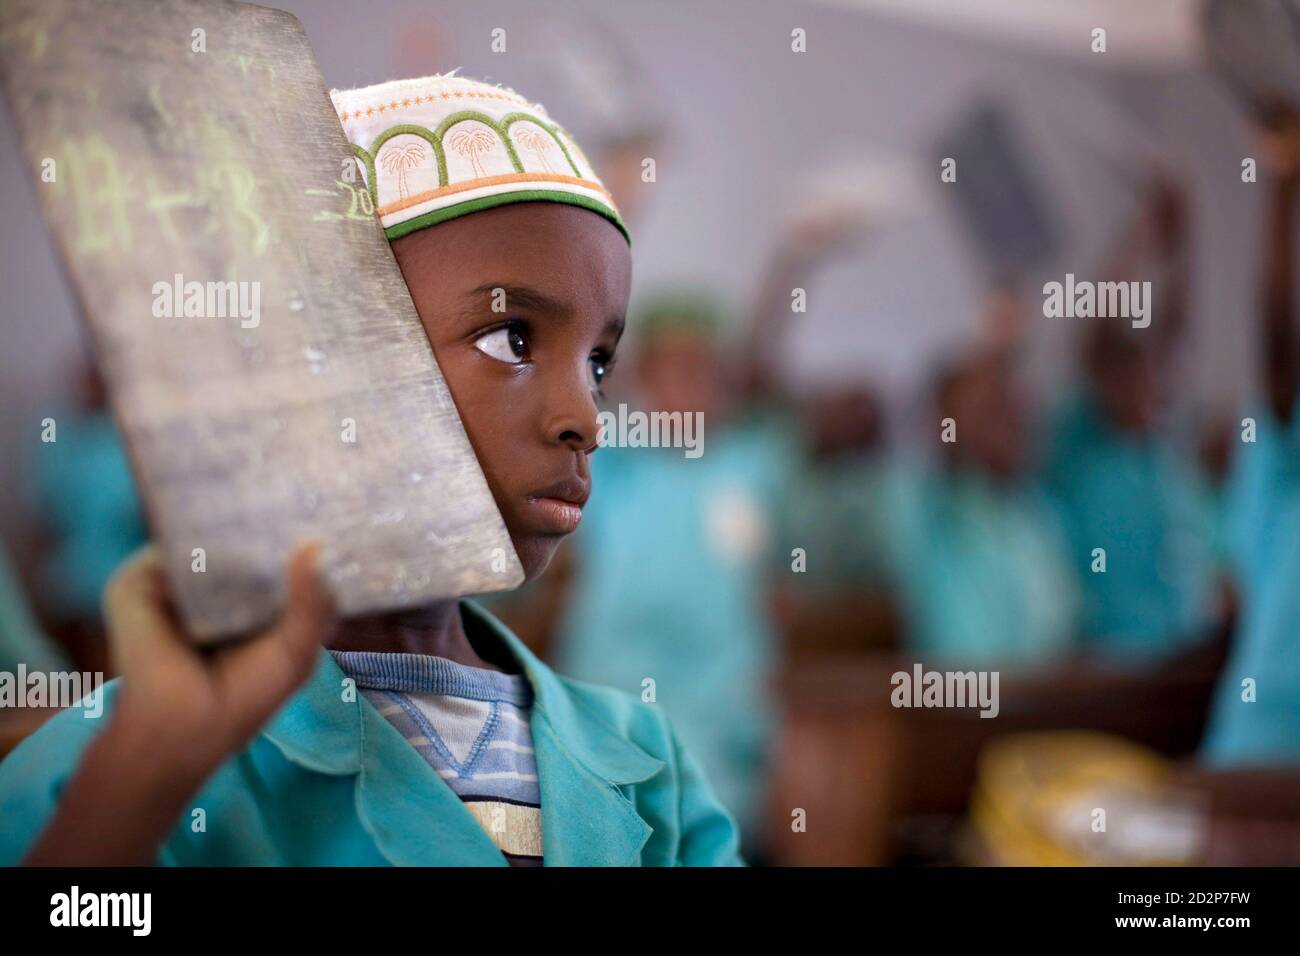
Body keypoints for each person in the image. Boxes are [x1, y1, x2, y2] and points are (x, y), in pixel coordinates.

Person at [0, 74, 742, 867]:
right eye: (511, 339)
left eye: (598, 362)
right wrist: (141, 779)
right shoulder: (122, 769)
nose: (587, 419)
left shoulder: (648, 763)